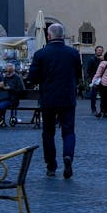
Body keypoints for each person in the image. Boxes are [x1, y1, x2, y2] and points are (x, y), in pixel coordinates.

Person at [27, 23, 81, 178]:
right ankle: (68, 156)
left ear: (49, 36)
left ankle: (51, 165)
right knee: (69, 131)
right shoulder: (73, 53)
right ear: (62, 35)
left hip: (48, 98)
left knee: (48, 133)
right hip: (67, 97)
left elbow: (33, 78)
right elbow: (78, 74)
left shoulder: (40, 54)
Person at [86, 45, 105, 117]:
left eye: (101, 50)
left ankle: (102, 109)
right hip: (95, 79)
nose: (100, 51)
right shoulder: (91, 59)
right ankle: (93, 109)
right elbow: (88, 70)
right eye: (98, 50)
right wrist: (92, 79)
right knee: (93, 95)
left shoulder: (103, 59)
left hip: (102, 79)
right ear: (96, 51)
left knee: (103, 95)